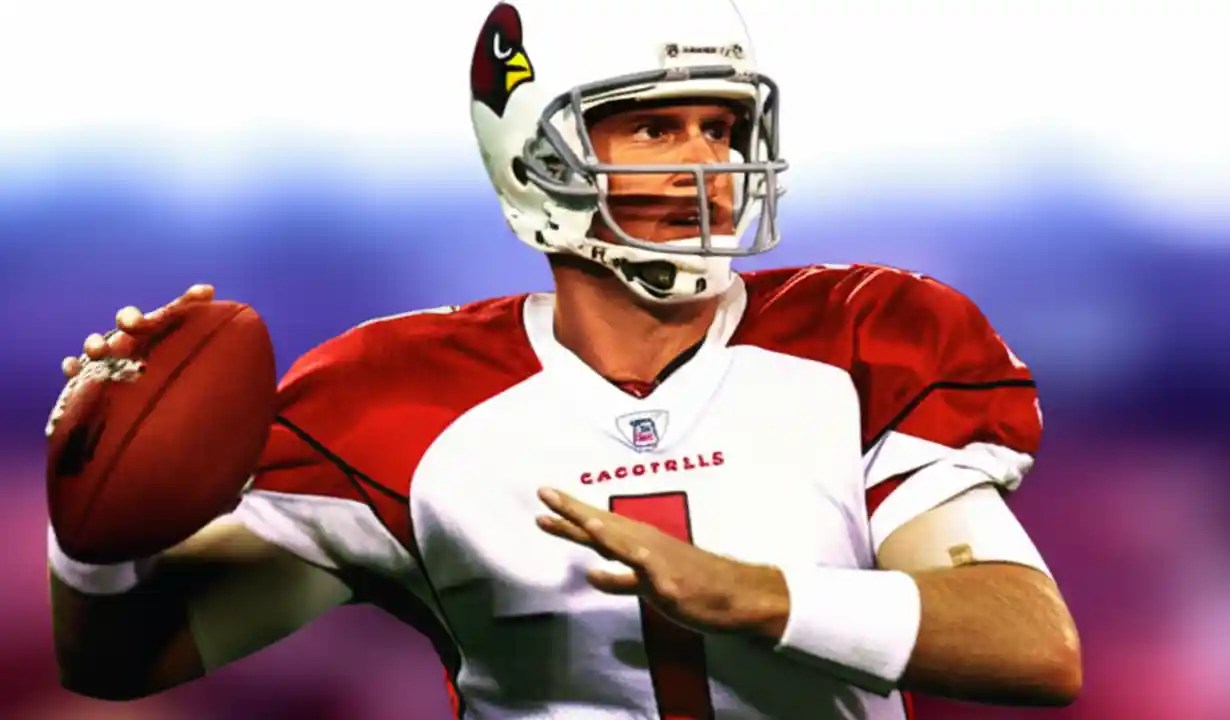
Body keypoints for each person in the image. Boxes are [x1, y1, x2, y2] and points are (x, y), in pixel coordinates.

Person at [46, 1, 1081, 718]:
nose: (709, 165)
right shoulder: (394, 399)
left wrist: (757, 594)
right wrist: (93, 527)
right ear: (535, 155)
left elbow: (1030, 645)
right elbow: (123, 663)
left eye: (722, 127)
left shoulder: (863, 336)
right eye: (654, 129)